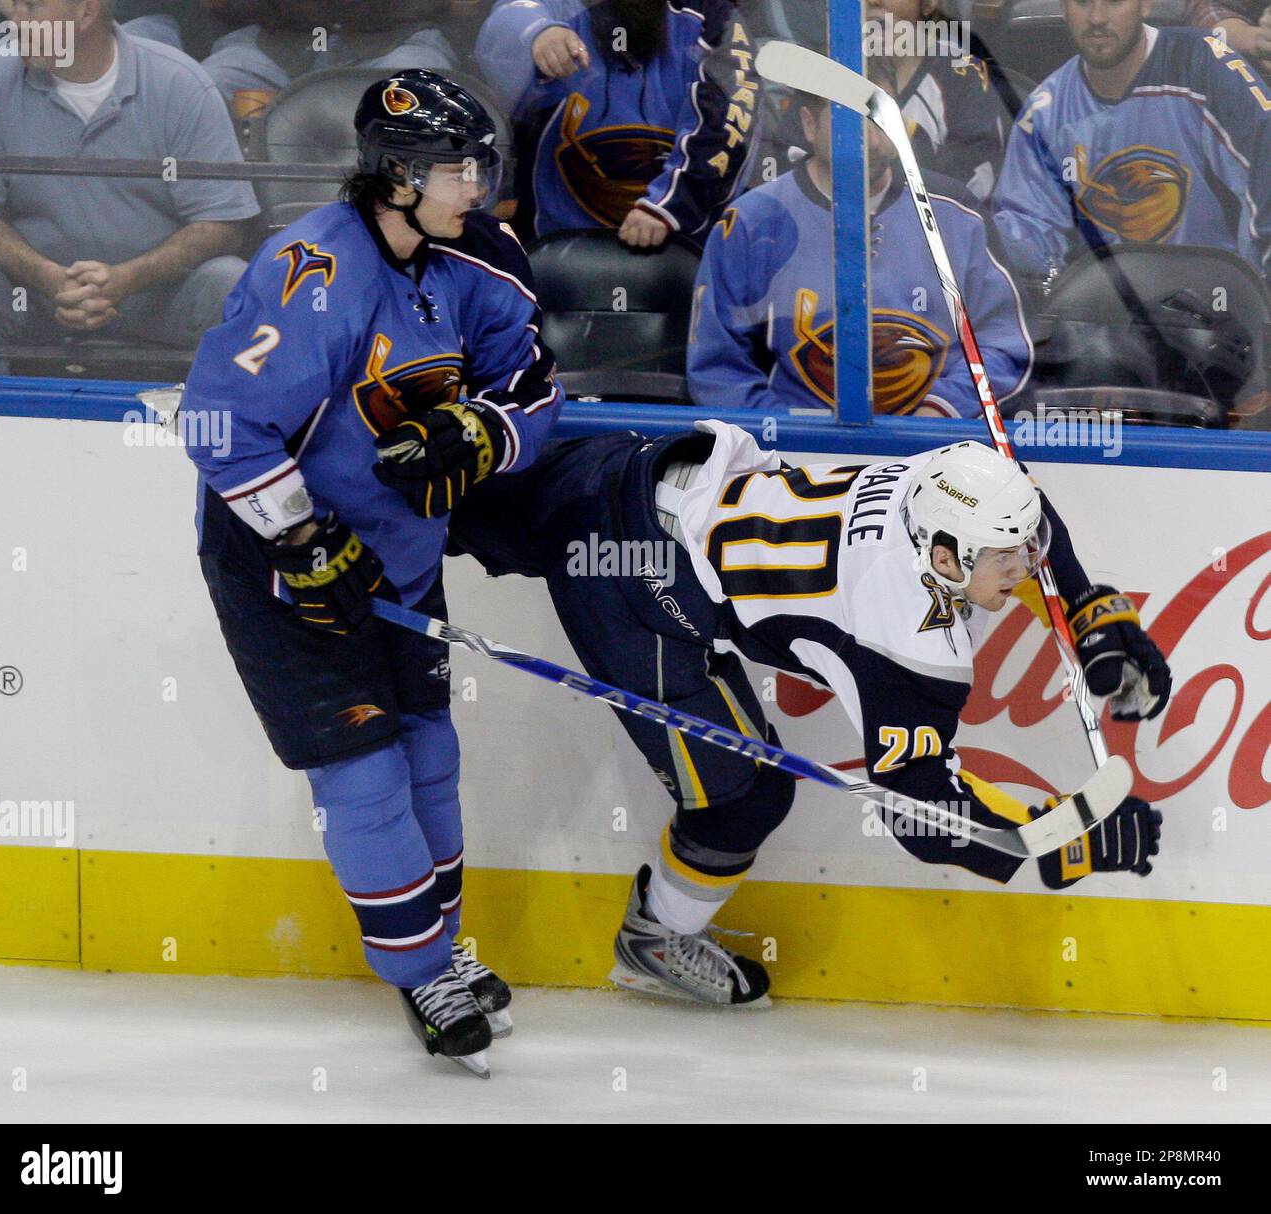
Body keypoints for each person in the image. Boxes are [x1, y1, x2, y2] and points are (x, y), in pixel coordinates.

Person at [448, 421, 1170, 1006]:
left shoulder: (939, 481)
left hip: (631, 468)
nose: (1025, 567)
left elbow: (1027, 503)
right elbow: (923, 817)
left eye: (1025, 552)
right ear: (945, 560)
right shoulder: (905, 642)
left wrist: (1088, 608)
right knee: (746, 797)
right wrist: (1061, 843)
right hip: (636, 582)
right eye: (1007, 559)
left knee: (438, 504)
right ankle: (654, 940)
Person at [179, 70, 562, 1074]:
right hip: (282, 570)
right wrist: (304, 538)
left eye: (479, 161)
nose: (475, 181)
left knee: (431, 757)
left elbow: (534, 390)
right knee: (367, 777)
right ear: (395, 176)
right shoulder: (313, 273)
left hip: (402, 560)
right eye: (454, 166)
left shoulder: (482, 260)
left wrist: (484, 429)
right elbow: (218, 423)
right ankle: (422, 972)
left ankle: (439, 946)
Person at [688, 87, 1031, 416]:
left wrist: (941, 410)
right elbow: (717, 367)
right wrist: (786, 433)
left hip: (936, 447)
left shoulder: (955, 214)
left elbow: (1004, 344)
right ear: (809, 125)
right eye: (849, 118)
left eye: (879, 118)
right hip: (797, 454)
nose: (869, 138)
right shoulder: (754, 221)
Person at [0, 0, 258, 375]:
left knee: (231, 282)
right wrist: (47, 277)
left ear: (86, 13)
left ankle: (219, 429)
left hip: (158, 296)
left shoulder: (179, 82)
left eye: (31, 9)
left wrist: (127, 278)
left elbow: (223, 225)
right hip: (34, 295)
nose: (14, 23)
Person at [991, 0, 1271, 284]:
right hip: (1104, 313)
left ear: (1146, 5)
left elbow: (1266, 171)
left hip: (1219, 308)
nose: (1097, 17)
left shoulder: (1202, 63)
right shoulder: (1044, 114)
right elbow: (1029, 237)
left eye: (1114, 1)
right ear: (1063, 8)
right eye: (1082, 2)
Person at [475, 0, 757, 246]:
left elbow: (733, 116)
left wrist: (673, 204)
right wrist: (538, 33)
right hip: (554, 247)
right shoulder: (558, 7)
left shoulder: (710, 14)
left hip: (683, 250)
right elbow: (508, 18)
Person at [199, 1, 457, 120]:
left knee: (420, 85)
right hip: (281, 41)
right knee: (215, 80)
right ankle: (233, 213)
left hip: (390, 38)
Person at [867, 0, 1010, 201]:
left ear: (929, 3)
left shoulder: (964, 76)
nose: (873, 1)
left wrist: (908, 140)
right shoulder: (828, 71)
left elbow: (975, 189)